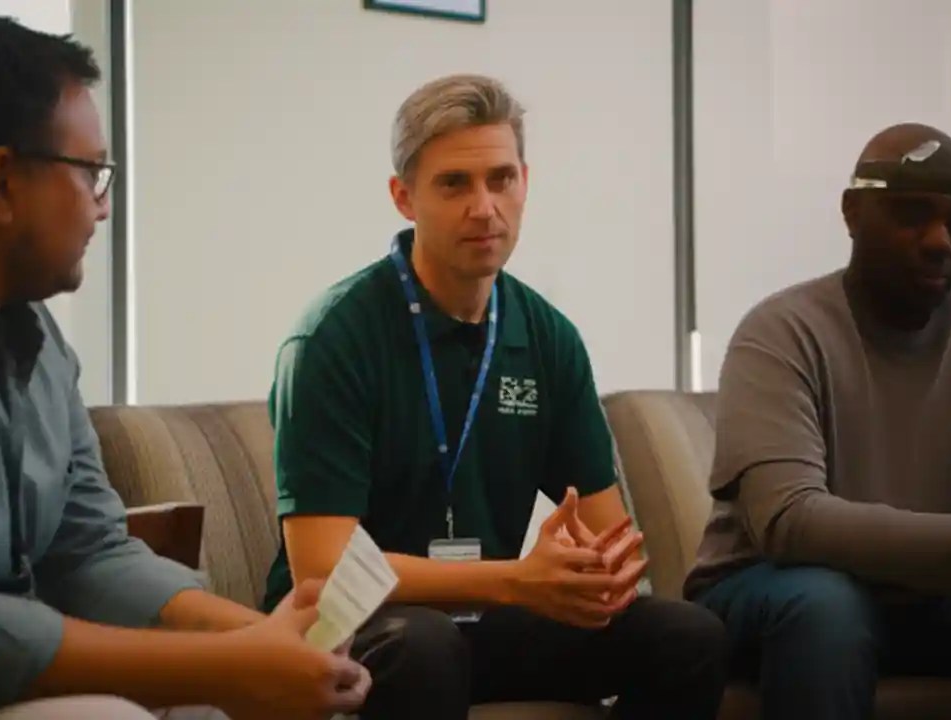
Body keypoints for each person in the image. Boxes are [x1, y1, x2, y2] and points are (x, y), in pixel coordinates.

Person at [0, 11, 368, 720]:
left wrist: (255, 638)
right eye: (92, 173)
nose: (104, 206)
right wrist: (222, 665)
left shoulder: (34, 335)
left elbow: (87, 553)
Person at [265, 72, 729, 720]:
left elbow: (613, 537)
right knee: (421, 645)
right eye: (454, 183)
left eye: (501, 179)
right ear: (404, 197)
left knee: (689, 638)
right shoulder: (334, 338)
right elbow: (323, 570)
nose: (484, 207)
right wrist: (516, 581)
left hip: (486, 618)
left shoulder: (546, 337)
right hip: (347, 623)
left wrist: (596, 571)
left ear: (525, 183)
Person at [686, 122, 951, 720]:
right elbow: (790, 522)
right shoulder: (781, 331)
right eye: (912, 214)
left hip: (934, 602)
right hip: (772, 592)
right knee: (827, 605)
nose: (941, 240)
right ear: (853, 212)